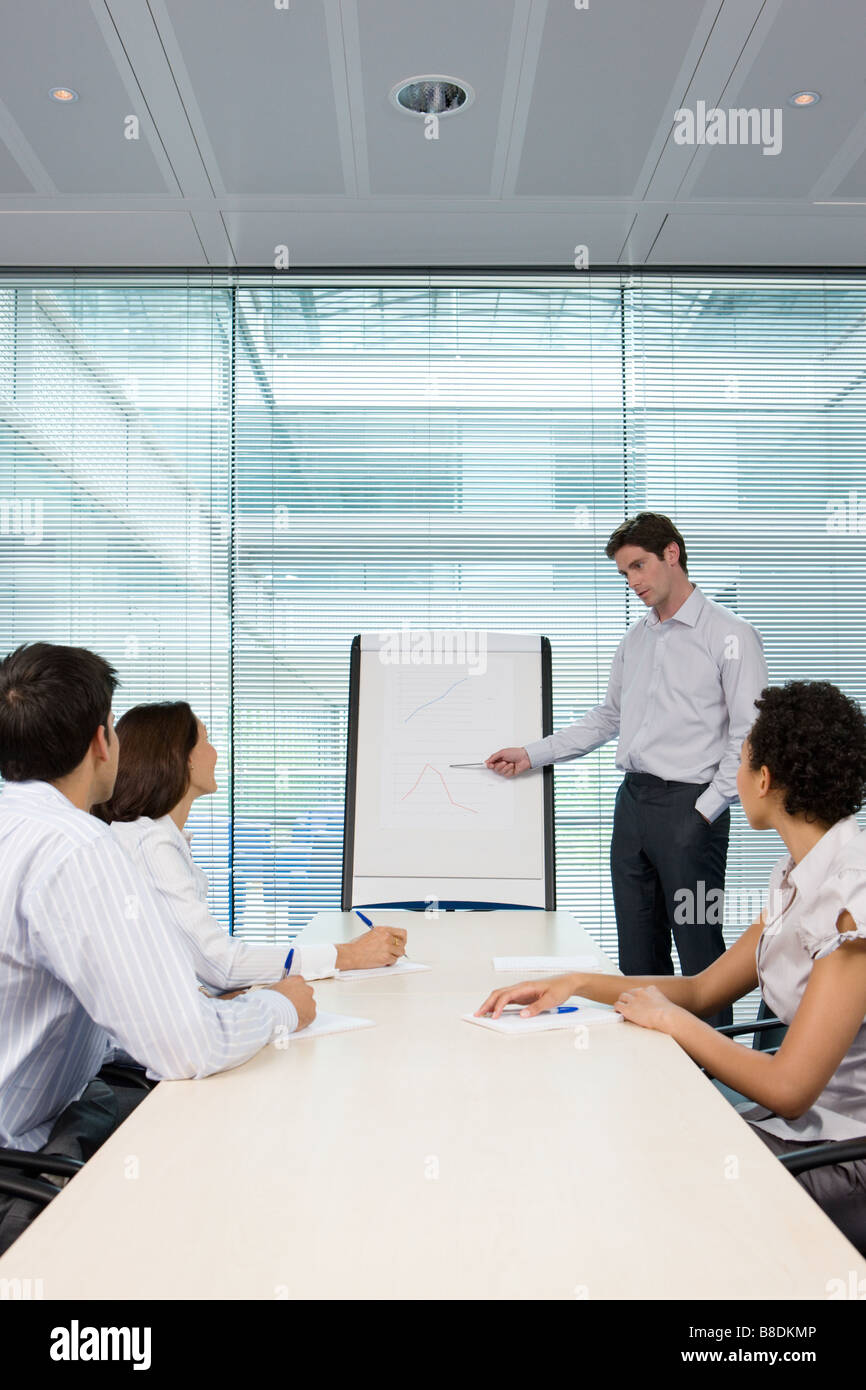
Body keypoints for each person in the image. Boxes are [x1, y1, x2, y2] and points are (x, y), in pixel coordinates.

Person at [477, 680, 866, 1242]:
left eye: (740, 760)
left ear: (764, 780)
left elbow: (788, 1087)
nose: (733, 774)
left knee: (635, 1185)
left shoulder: (849, 901)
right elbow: (706, 989)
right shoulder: (797, 875)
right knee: (624, 1137)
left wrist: (668, 1020)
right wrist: (578, 983)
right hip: (794, 1134)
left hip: (836, 1155)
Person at [0, 643, 313, 1253]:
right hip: (22, 1161)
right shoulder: (77, 848)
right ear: (101, 742)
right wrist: (284, 1007)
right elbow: (185, 1048)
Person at [486, 512, 767, 1027]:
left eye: (638, 566)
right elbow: (609, 717)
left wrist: (704, 810)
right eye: (624, 574)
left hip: (691, 812)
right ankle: (656, 1074)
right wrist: (531, 753)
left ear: (672, 554)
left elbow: (748, 734)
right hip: (633, 806)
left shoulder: (731, 635)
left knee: (701, 948)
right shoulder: (636, 641)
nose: (633, 582)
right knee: (638, 951)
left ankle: (719, 1083)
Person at [92, 701, 407, 988]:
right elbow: (222, 964)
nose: (216, 752)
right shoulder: (150, 845)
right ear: (182, 758)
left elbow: (198, 962)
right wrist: (349, 955)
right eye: (206, 740)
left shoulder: (156, 838)